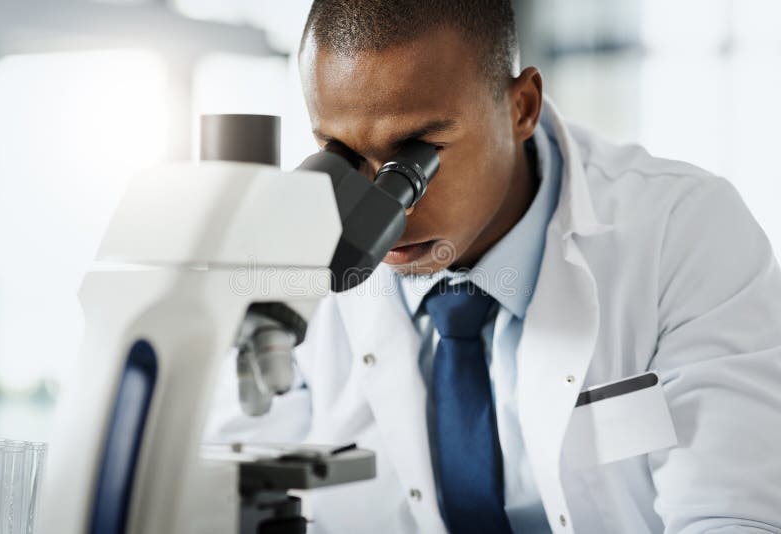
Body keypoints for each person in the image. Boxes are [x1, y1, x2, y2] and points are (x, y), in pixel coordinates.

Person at [208, 1, 781, 532]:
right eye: (343, 153)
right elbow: (223, 475)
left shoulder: (681, 230)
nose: (379, 212)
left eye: (416, 152)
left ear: (521, 107)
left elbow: (732, 513)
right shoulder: (298, 254)